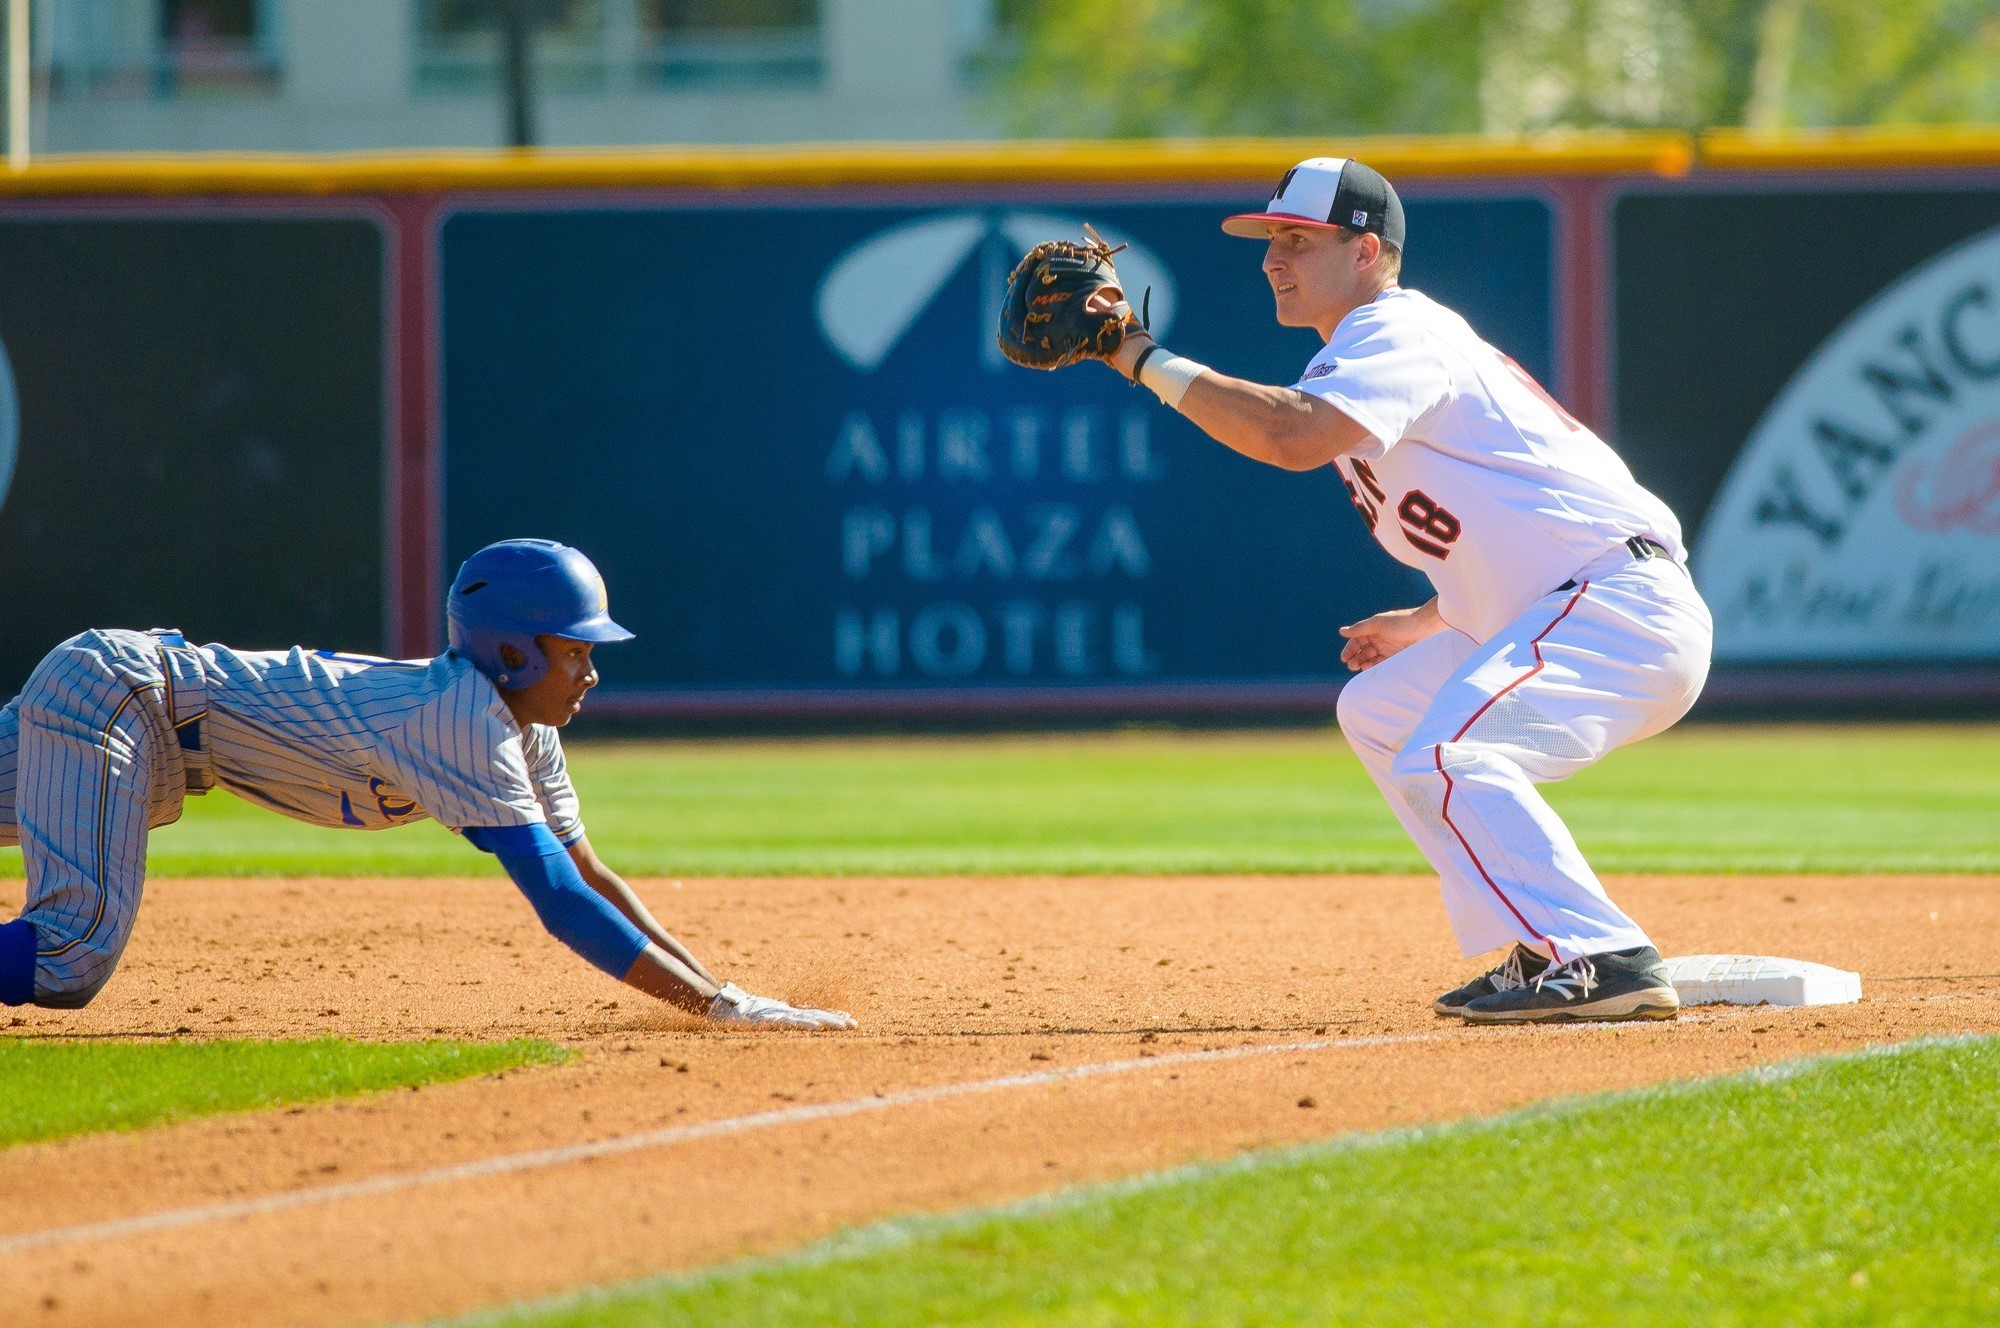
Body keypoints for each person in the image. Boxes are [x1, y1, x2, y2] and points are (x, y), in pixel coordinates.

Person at [1090, 158, 1709, 1022]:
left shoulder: (1397, 332)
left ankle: (1602, 954)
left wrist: (1135, 355)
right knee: (1383, 711)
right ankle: (1539, 945)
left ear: (1366, 249)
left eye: (1298, 240)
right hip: (1575, 608)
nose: (1274, 258)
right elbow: (1513, 527)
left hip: (1619, 613)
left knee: (1452, 754)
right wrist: (1426, 621)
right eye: (1271, 239)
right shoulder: (1362, 353)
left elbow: (1287, 436)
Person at [0, 538, 854, 1030]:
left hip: (142, 715)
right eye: (577, 649)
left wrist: (717, 998)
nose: (591, 671)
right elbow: (558, 902)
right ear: (513, 651)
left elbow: (592, 875)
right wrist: (717, 1011)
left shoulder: (525, 728)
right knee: (71, 956)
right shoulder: (460, 720)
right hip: (124, 698)